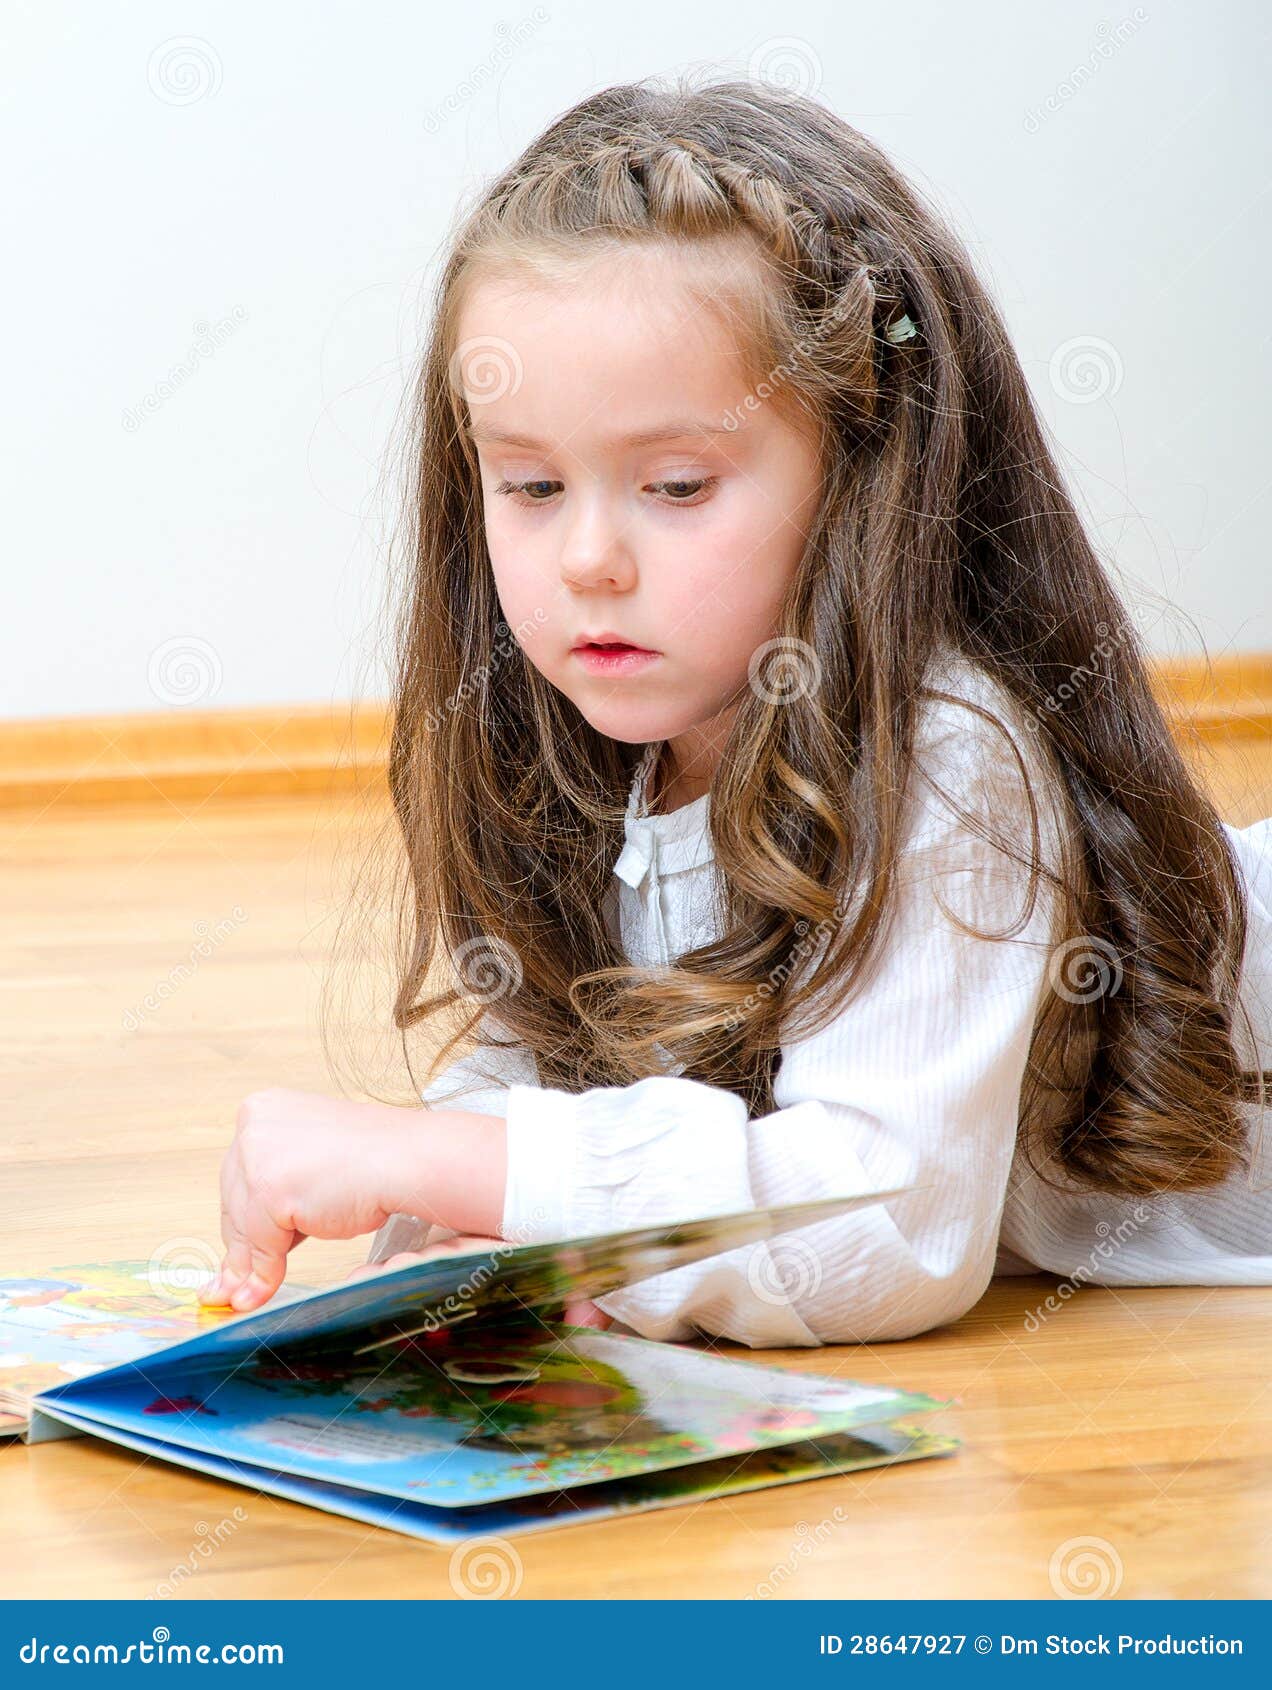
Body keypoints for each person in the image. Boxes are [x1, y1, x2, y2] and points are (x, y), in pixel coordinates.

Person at [200, 75, 1271, 1345]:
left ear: (859, 471)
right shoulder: (586, 738)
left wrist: (475, 1170)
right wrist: (462, 1193)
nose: (589, 556)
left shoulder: (949, 758)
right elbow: (547, 1061)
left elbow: (888, 1233)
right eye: (533, 484)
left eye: (675, 484)